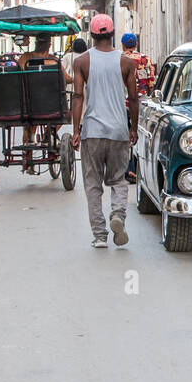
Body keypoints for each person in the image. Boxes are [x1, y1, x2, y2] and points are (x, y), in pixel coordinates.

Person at [71, 14, 139, 249]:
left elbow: (78, 96)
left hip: (92, 130)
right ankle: (118, 215)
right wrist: (133, 127)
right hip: (118, 130)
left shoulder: (81, 62)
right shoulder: (126, 62)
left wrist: (76, 130)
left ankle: (100, 235)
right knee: (118, 180)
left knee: (93, 185)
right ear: (112, 34)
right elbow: (133, 98)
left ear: (91, 35)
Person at [120, 33, 153, 183]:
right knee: (140, 134)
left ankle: (128, 168)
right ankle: (137, 167)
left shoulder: (118, 59)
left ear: (123, 44)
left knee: (126, 135)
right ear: (136, 44)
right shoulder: (145, 60)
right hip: (142, 104)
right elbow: (151, 82)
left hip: (123, 104)